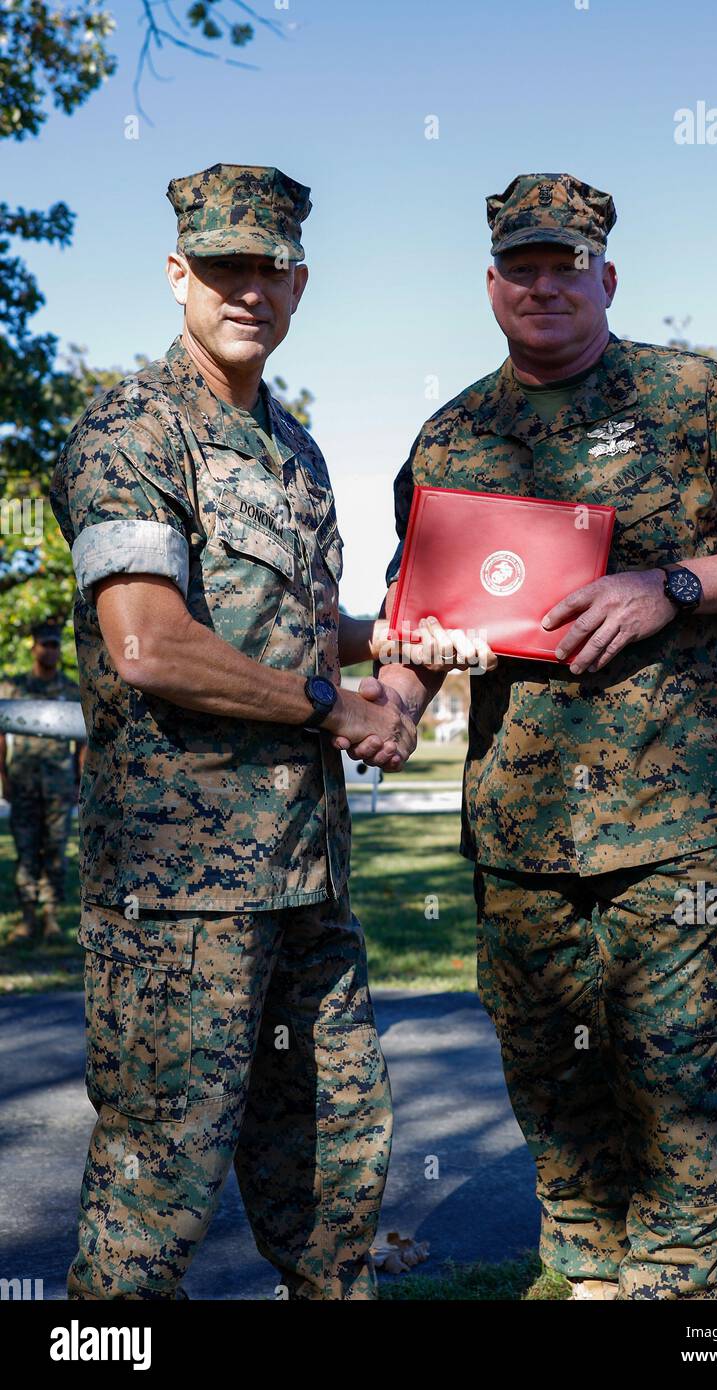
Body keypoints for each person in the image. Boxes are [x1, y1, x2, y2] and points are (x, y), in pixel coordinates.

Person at [375, 173, 717, 1300]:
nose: (543, 286)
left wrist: (671, 582)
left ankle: (681, 1293)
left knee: (679, 1092)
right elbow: (414, 613)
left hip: (675, 822)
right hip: (520, 832)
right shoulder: (452, 436)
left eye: (564, 265)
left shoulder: (700, 398)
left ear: (605, 276)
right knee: (552, 1095)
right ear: (491, 284)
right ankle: (583, 1275)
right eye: (520, 267)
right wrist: (392, 694)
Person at [50, 162, 419, 1300]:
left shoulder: (293, 450)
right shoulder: (130, 427)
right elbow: (149, 644)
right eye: (222, 268)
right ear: (177, 275)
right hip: (182, 897)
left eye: (268, 267)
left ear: (298, 283)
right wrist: (333, 706)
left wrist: (400, 638)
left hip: (306, 878)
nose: (245, 288)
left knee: (337, 1171)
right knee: (150, 1206)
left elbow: (288, 630)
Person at [0, 619, 84, 943]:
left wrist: (79, 780)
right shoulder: (13, 688)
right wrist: (3, 777)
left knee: (55, 850)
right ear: (33, 647)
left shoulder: (70, 689)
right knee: (25, 849)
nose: (50, 650)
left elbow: (82, 742)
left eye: (54, 644)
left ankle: (50, 918)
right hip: (22, 783)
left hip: (59, 785)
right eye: (45, 644)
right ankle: (26, 919)